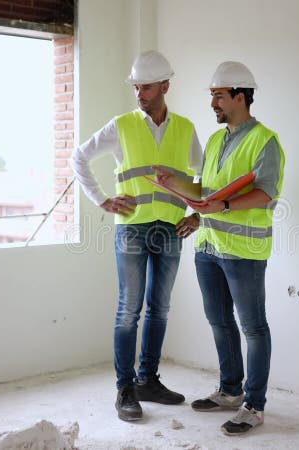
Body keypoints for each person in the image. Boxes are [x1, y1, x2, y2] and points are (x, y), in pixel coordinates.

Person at [152, 61, 285, 435]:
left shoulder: (265, 141)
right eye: (212, 97)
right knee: (219, 320)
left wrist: (223, 206)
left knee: (253, 327)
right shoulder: (215, 141)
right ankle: (230, 390)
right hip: (209, 246)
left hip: (243, 251)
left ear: (240, 97)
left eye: (218, 97)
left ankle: (254, 405)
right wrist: (182, 193)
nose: (213, 104)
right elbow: (205, 191)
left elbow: (265, 193)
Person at [71, 50, 202, 422]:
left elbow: (202, 178)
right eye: (135, 87)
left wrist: (196, 213)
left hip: (171, 229)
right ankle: (125, 388)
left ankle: (148, 380)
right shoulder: (121, 125)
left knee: (159, 309)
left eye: (145, 87)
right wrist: (101, 199)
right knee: (129, 310)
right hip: (132, 227)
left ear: (165, 86)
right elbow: (78, 157)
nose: (139, 93)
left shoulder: (185, 129)